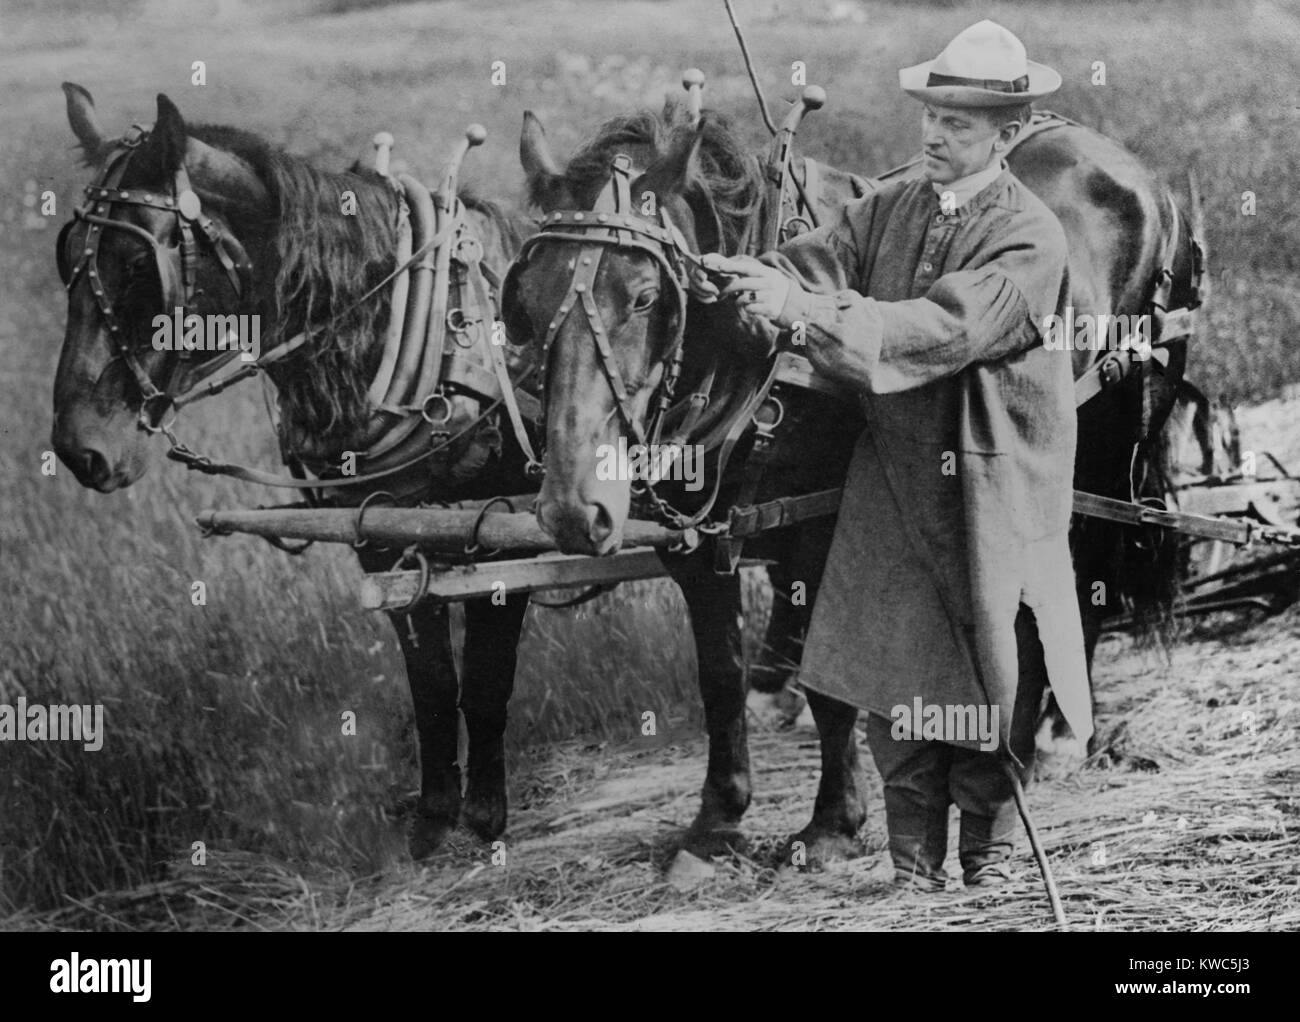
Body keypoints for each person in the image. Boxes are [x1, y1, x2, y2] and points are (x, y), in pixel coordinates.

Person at [692, 20, 1092, 890]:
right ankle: (914, 872)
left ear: (1006, 132)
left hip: (992, 481)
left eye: (958, 123)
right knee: (894, 671)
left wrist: (801, 311)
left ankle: (986, 865)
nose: (935, 135)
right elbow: (821, 259)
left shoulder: (1032, 239)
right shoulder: (893, 206)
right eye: (931, 116)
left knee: (992, 674)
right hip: (895, 474)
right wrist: (745, 276)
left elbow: (944, 329)